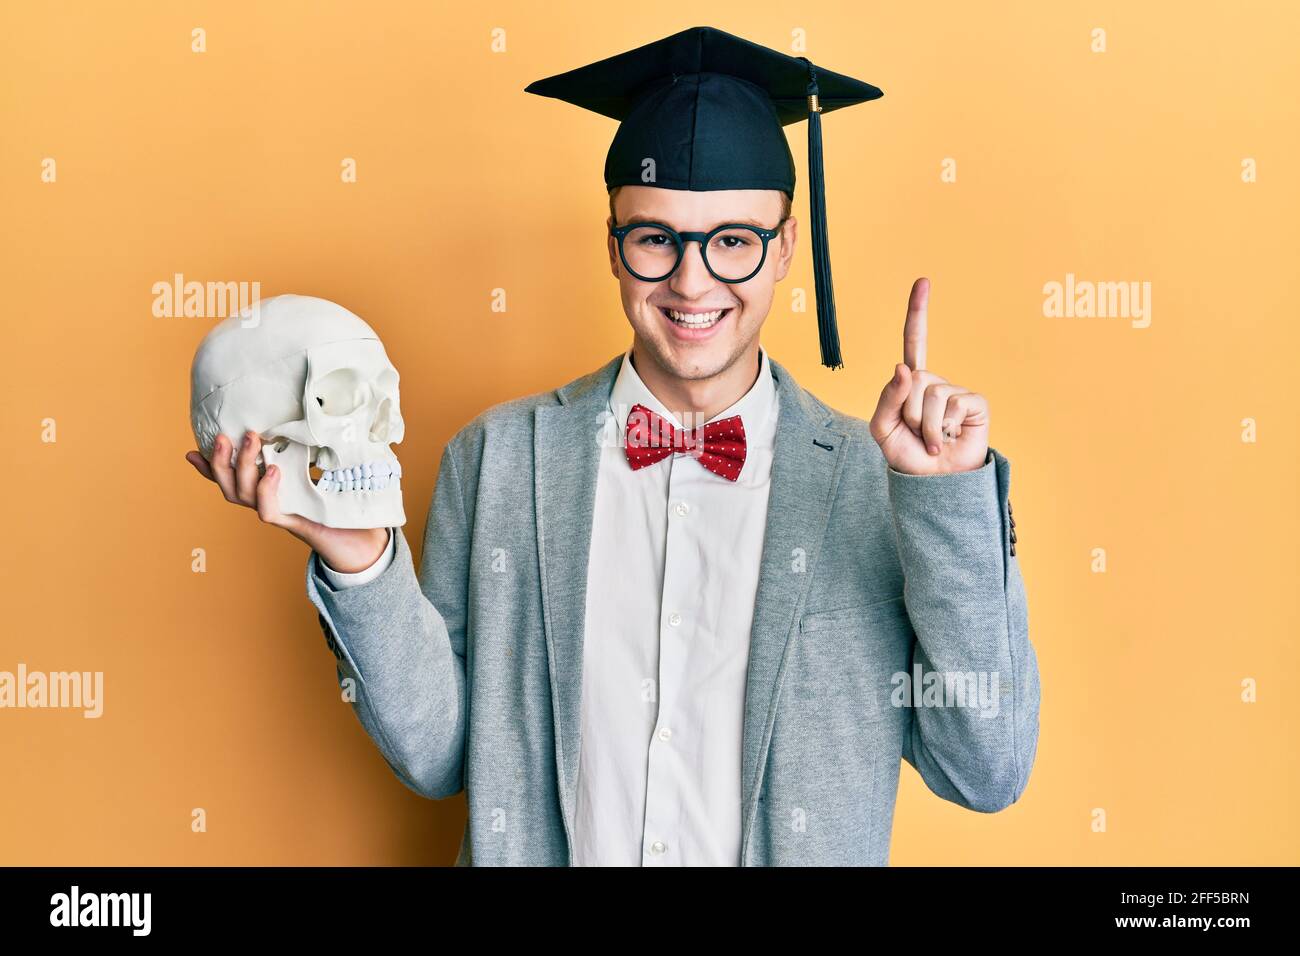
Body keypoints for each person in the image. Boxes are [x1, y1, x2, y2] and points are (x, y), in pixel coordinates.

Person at [186, 26, 1039, 866]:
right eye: (655, 237)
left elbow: (988, 771)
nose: (692, 280)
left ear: (784, 249)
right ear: (614, 247)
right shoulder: (497, 461)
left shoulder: (880, 481)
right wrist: (360, 558)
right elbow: (441, 757)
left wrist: (944, 505)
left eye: (733, 242)